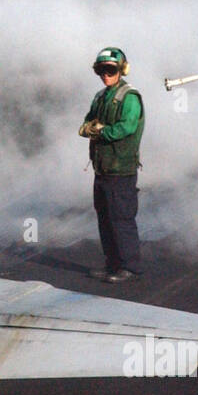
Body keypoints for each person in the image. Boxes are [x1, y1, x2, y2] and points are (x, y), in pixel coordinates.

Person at [79, 46, 143, 283]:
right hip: (103, 168)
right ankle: (113, 264)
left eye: (110, 70)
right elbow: (89, 119)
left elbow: (127, 127)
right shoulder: (100, 96)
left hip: (121, 169)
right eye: (101, 71)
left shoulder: (130, 97)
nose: (105, 75)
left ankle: (130, 267)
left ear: (122, 70)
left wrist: (100, 131)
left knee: (121, 219)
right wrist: (88, 127)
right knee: (105, 218)